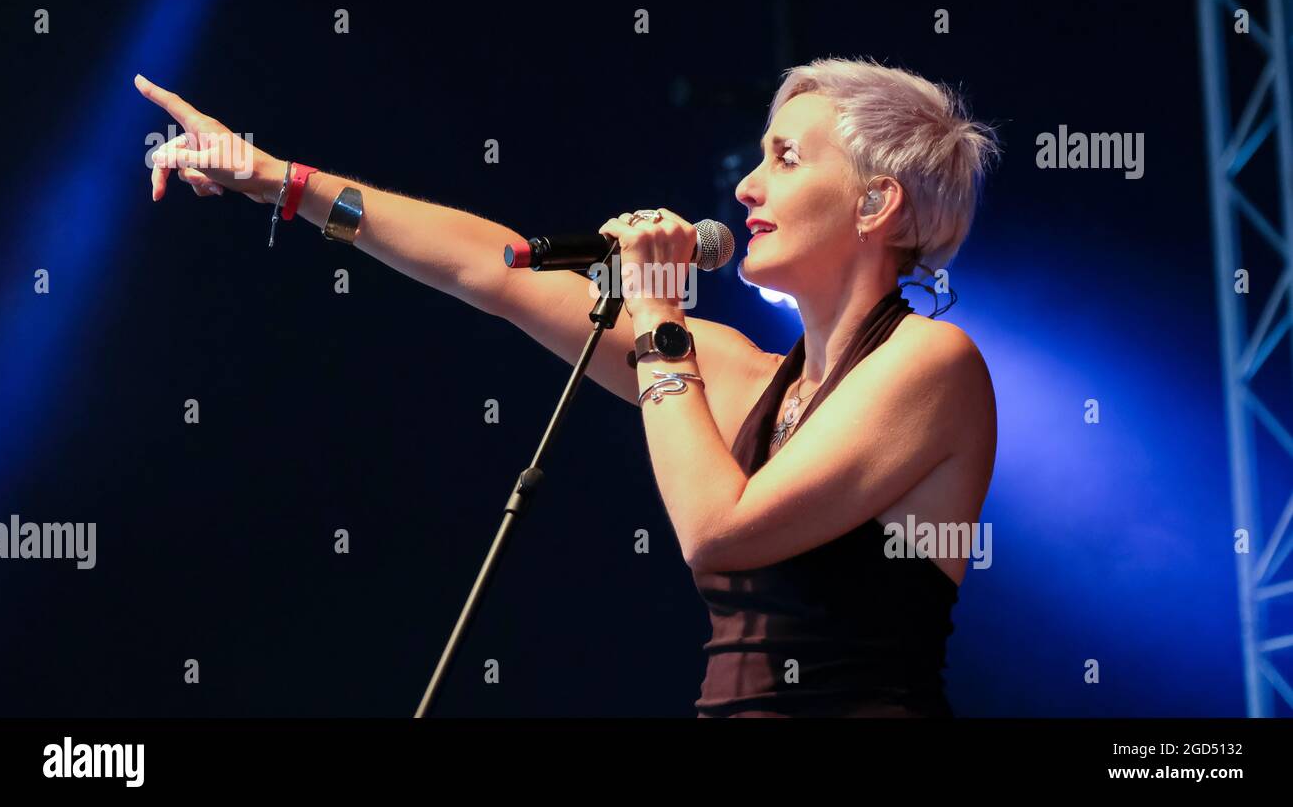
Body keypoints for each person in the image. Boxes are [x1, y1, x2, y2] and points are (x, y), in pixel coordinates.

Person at [134, 55, 1000, 717]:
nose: (745, 184)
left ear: (875, 204)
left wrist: (659, 319)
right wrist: (279, 180)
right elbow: (494, 269)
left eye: (785, 157)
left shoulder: (934, 363)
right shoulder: (745, 376)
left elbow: (717, 530)